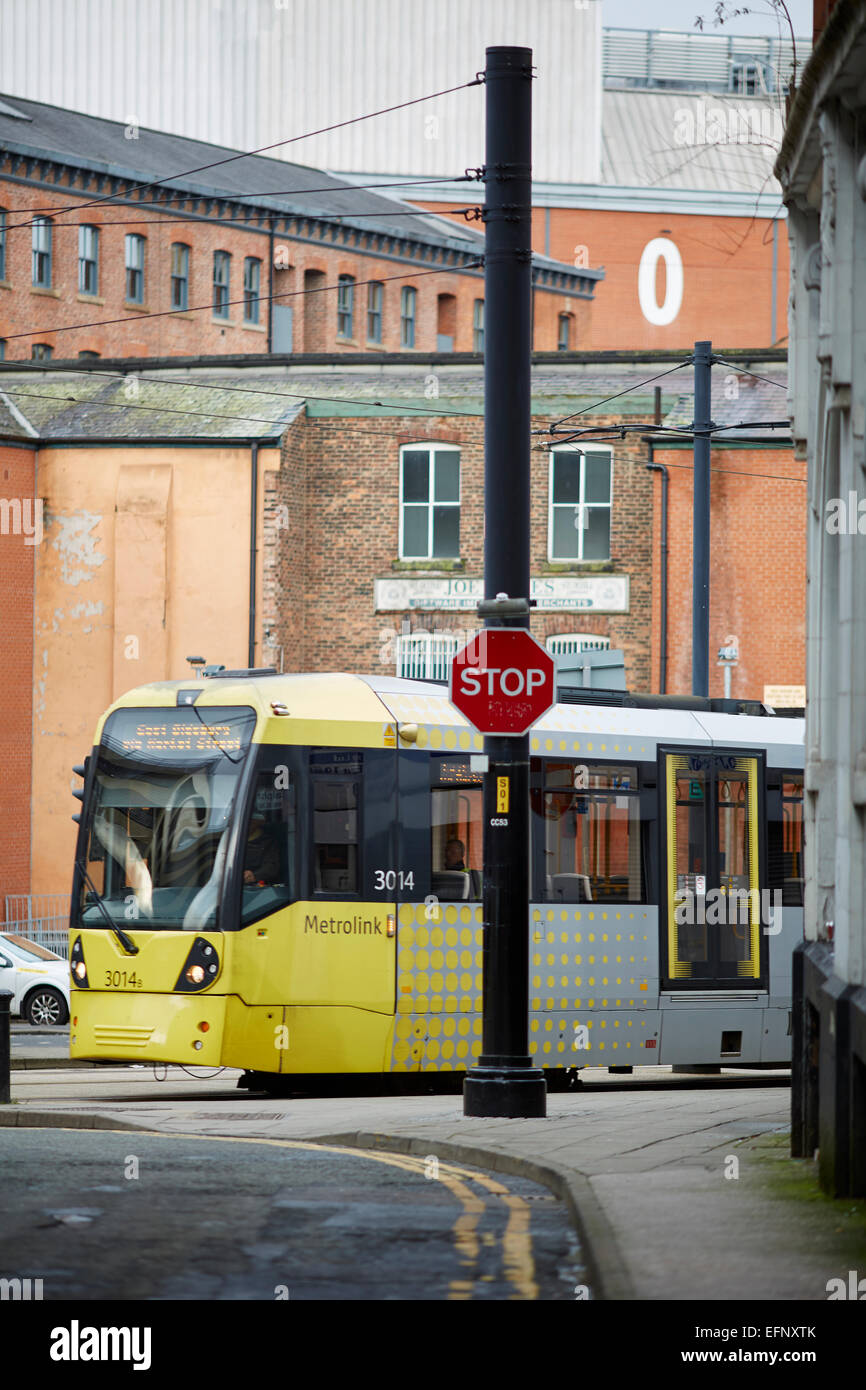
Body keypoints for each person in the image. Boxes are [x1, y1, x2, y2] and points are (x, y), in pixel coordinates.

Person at [243, 814, 280, 885]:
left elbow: (272, 866)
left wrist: (254, 875)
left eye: (252, 822)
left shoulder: (267, 842)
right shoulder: (232, 841)